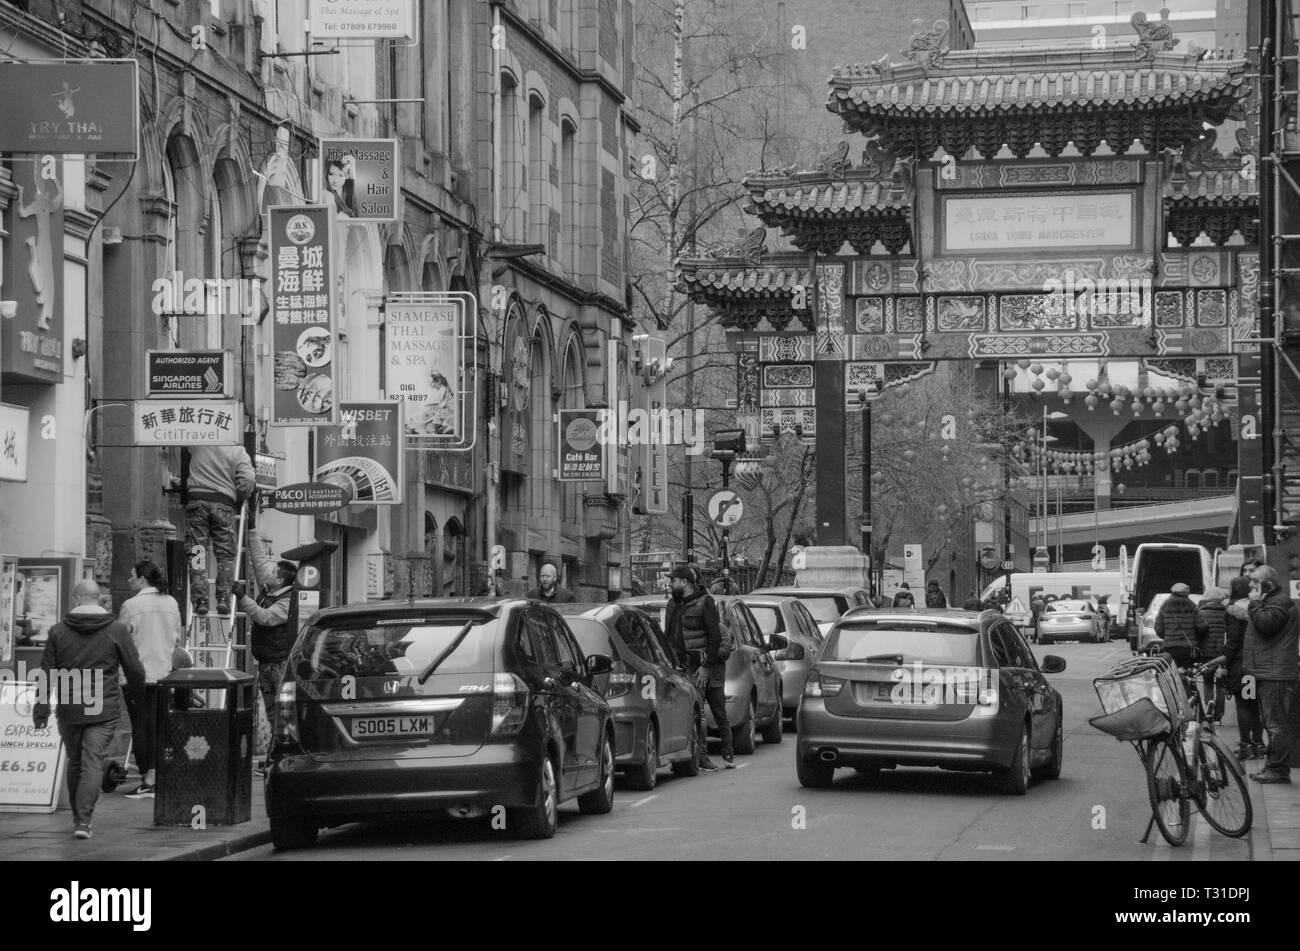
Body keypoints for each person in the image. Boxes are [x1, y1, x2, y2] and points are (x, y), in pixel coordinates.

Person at [32, 580, 145, 839]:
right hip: (103, 707)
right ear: (100, 599)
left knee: (75, 762)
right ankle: (83, 822)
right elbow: (135, 669)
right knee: (92, 762)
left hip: (69, 707)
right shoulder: (116, 629)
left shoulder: (58, 631)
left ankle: (77, 818)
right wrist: (138, 699)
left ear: (76, 599)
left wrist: (40, 710)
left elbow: (46, 673)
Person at [233, 528, 298, 771]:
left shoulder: (286, 601)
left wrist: (242, 598)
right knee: (272, 712)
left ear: (280, 580)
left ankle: (284, 755)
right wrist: (250, 531)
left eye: (272, 572)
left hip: (280, 663)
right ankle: (275, 756)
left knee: (283, 712)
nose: (266, 573)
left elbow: (265, 617)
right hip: (266, 661)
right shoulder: (271, 589)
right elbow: (260, 561)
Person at [117, 561, 182, 798]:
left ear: (142, 579)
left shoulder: (131, 605)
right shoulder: (171, 602)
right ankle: (159, 774)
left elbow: (121, 639)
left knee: (141, 728)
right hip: (163, 673)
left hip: (138, 675)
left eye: (131, 576)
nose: (128, 580)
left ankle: (149, 777)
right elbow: (176, 635)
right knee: (159, 727)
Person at [665, 565, 732, 770]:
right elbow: (668, 635)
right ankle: (683, 756)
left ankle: (703, 756)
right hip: (679, 667)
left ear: (684, 583)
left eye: (673, 581)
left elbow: (714, 637)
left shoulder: (706, 602)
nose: (670, 584)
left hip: (697, 666)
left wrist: (706, 667)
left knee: (700, 712)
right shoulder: (672, 604)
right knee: (684, 711)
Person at [1243, 565, 1299, 784]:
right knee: (1271, 722)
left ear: (1265, 585)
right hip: (1266, 672)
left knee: (1276, 724)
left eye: (1253, 583)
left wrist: (1255, 602)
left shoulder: (1279, 603)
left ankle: (1278, 769)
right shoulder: (1273, 602)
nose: (1249, 586)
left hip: (1275, 674)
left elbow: (1267, 625)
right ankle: (1273, 765)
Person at [183, 445, 255, 616]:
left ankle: (200, 599)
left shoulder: (199, 440)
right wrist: (240, 496)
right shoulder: (238, 450)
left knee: (197, 551)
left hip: (197, 499)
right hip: (223, 502)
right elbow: (248, 479)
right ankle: (223, 597)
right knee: (225, 555)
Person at [1223, 576, 1264, 761]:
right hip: (1257, 663)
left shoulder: (1235, 611)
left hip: (1242, 665)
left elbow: (1233, 642)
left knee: (1243, 706)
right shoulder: (1258, 608)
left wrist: (1225, 664)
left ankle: (1246, 745)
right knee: (1254, 705)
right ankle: (1258, 744)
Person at [1155, 582, 1198, 668]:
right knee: (1187, 672)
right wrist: (1193, 636)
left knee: (1171, 672)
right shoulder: (1192, 606)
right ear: (1187, 594)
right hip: (1188, 648)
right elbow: (1202, 626)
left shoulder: (1164, 606)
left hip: (1170, 648)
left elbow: (1158, 628)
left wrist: (1168, 636)